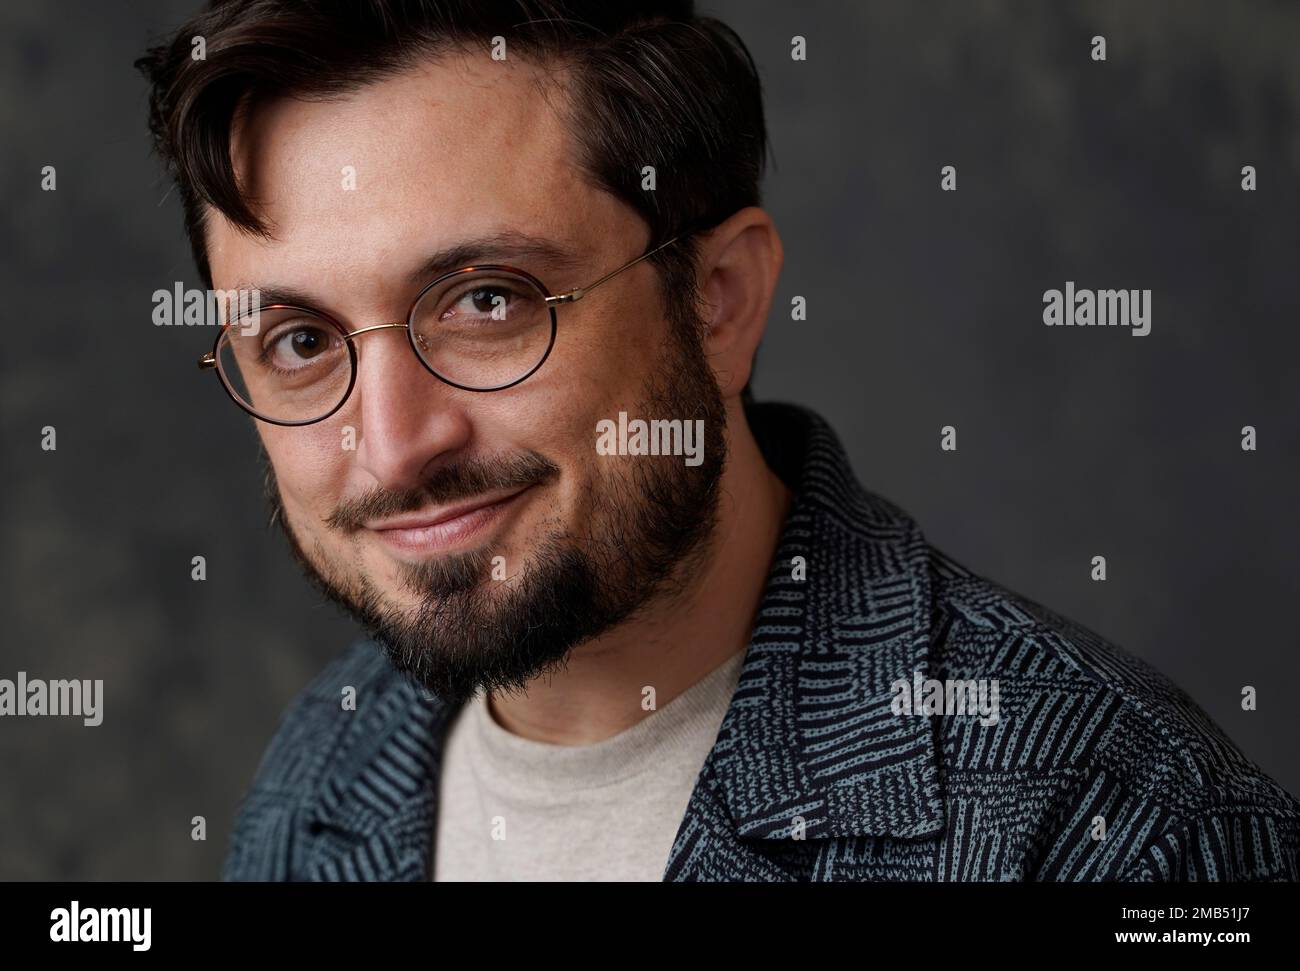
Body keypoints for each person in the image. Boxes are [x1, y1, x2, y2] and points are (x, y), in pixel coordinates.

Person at [137, 0, 1299, 881]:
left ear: (721, 297)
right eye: (297, 339)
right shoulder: (325, 763)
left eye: (486, 300)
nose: (391, 448)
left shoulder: (1120, 822)